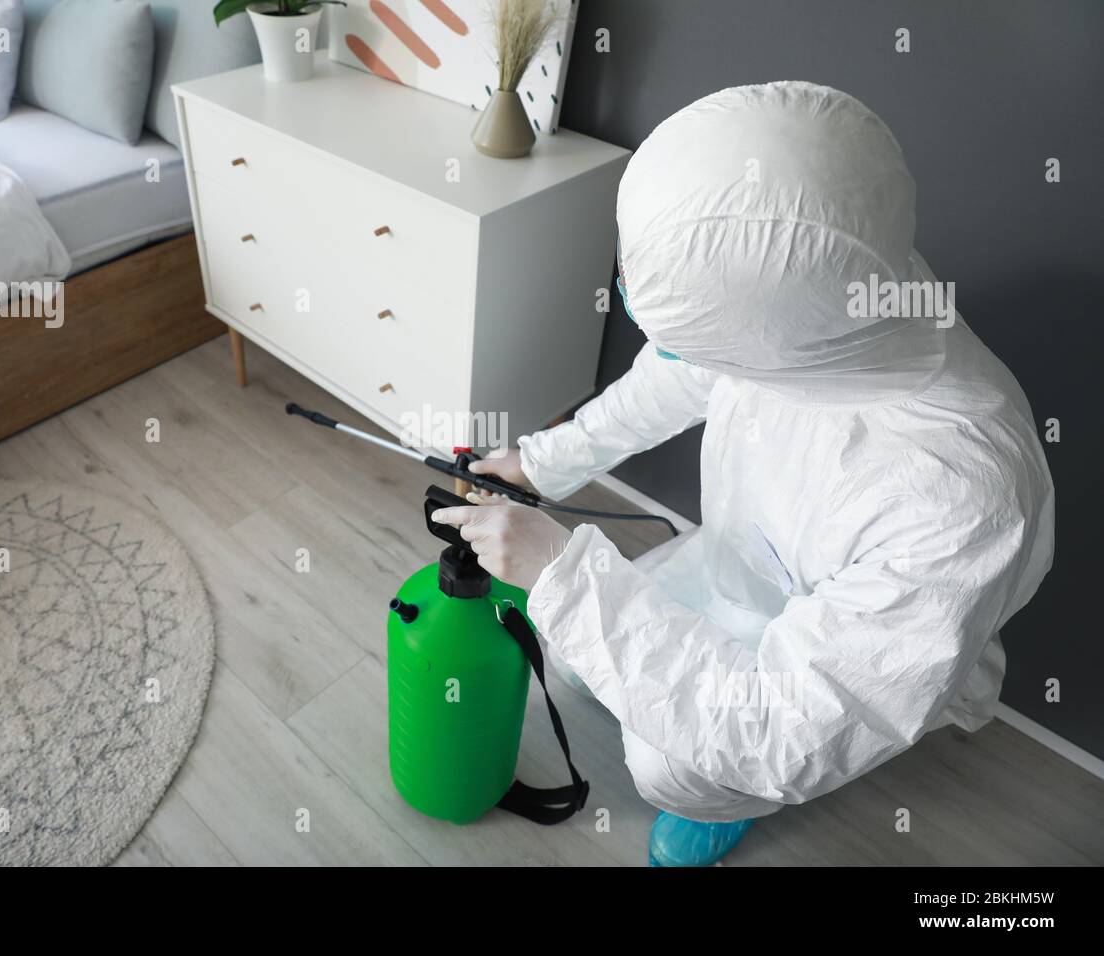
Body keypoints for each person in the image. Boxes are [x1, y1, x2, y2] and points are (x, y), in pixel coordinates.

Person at [432, 82, 1054, 867]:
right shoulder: (823, 298)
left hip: (832, 664)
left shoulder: (960, 498)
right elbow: (681, 371)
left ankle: (721, 806)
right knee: (581, 658)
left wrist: (561, 575)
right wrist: (542, 461)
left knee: (670, 762)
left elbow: (779, 729)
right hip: (738, 558)